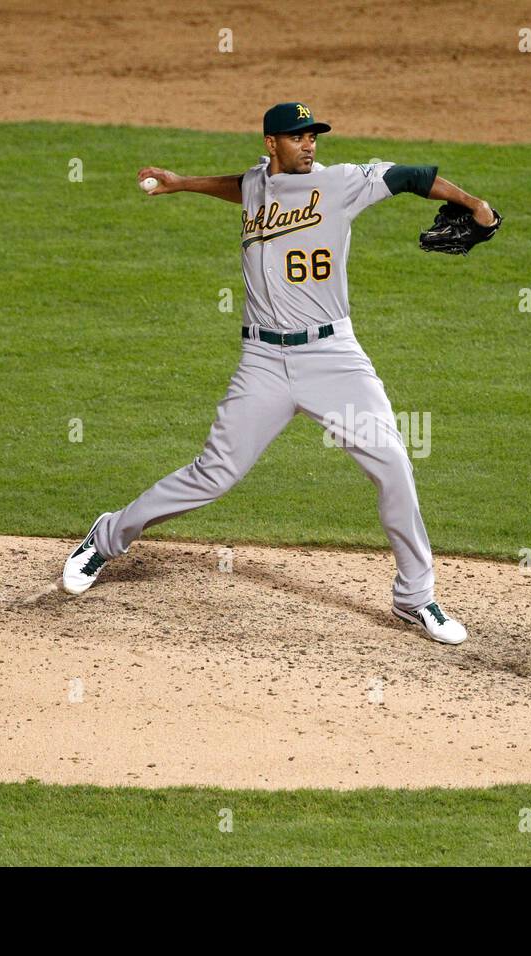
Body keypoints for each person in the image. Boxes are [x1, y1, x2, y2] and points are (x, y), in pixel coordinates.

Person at [62, 102, 499, 645]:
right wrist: (181, 184)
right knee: (214, 474)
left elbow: (412, 176)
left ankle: (416, 598)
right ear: (272, 143)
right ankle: (104, 539)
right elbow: (241, 186)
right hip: (262, 364)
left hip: (333, 359)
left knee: (391, 462)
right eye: (297, 137)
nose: (309, 144)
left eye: (313, 136)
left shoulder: (341, 183)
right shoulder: (257, 184)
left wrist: (473, 203)